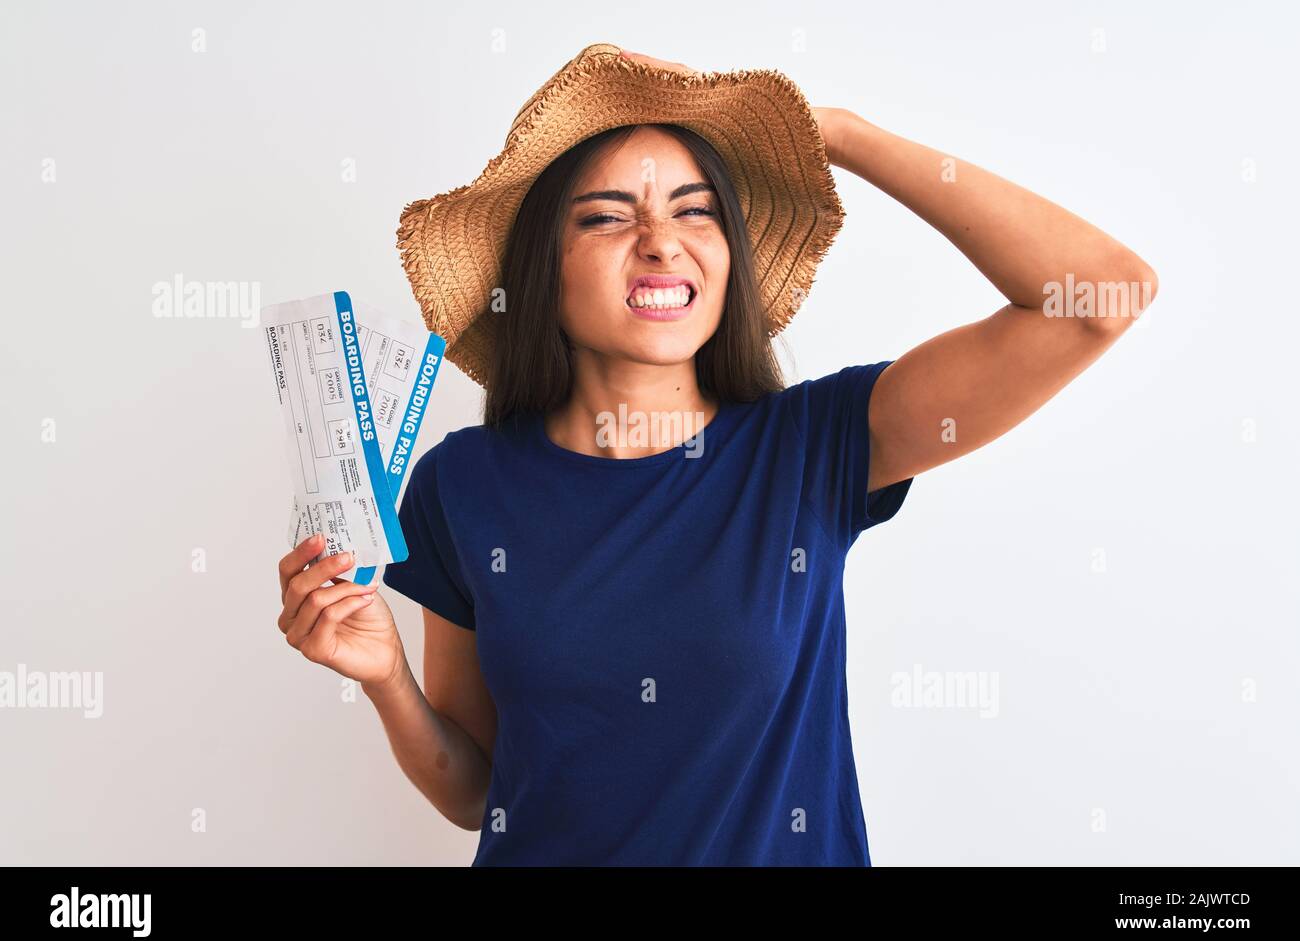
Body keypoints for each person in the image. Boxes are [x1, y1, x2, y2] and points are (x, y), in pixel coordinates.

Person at [275, 47, 1157, 865]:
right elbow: (477, 795)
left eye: (695, 210)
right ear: (543, 268)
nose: (662, 240)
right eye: (607, 217)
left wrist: (833, 132)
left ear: (728, 253)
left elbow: (1100, 298)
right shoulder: (461, 483)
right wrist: (386, 679)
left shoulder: (815, 446)